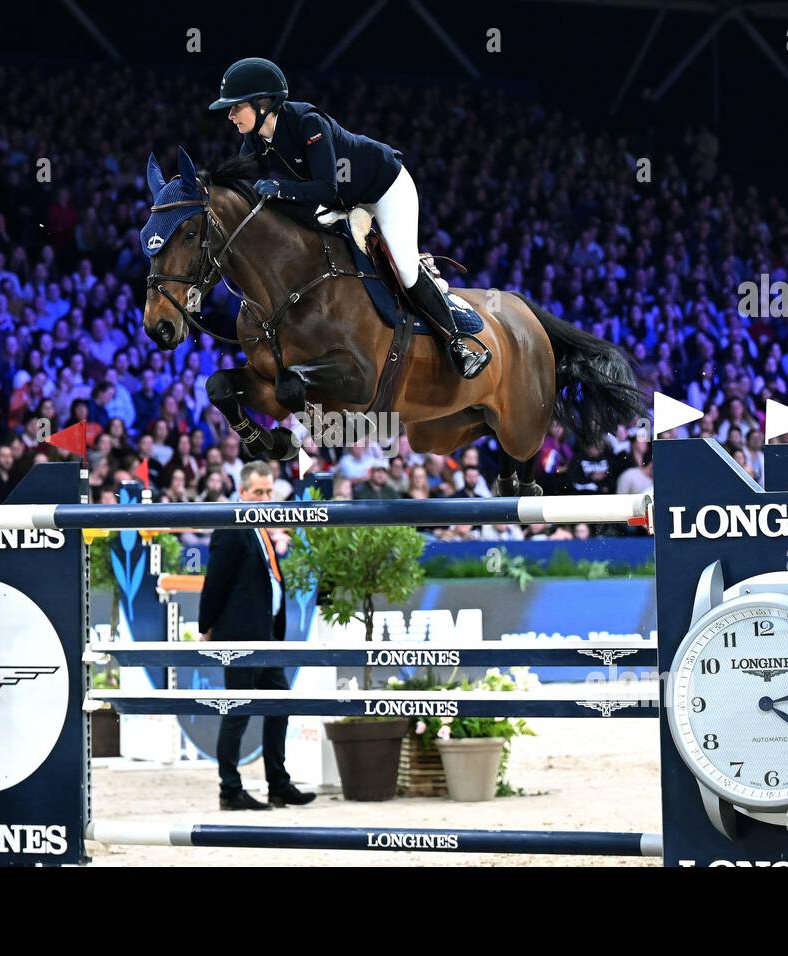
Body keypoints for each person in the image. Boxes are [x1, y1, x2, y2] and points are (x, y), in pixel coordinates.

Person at [209, 57, 490, 379]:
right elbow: (242, 186)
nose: (229, 116)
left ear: (263, 104)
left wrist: (278, 187)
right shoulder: (255, 139)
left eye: (235, 107)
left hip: (384, 189)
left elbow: (326, 189)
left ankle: (459, 342)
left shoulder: (307, 123)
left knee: (405, 268)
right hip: (344, 202)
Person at [198, 460, 316, 811]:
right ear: (243, 493)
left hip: (266, 638)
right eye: (259, 492)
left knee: (281, 706)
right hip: (240, 638)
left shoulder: (263, 531)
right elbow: (215, 582)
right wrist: (206, 628)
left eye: (269, 492)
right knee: (237, 712)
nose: (266, 498)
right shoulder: (232, 527)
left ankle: (278, 784)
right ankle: (229, 790)